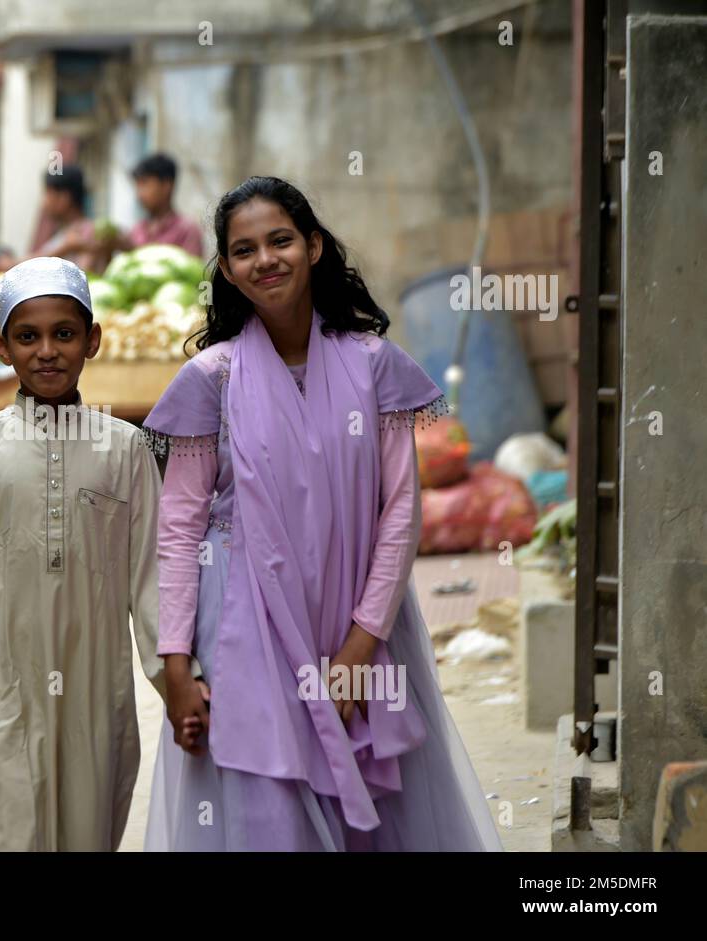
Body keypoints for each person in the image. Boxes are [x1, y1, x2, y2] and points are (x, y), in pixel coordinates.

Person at [141, 176, 501, 851]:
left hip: (355, 624)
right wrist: (177, 667)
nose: (265, 259)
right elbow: (180, 528)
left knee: (369, 809)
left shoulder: (374, 365)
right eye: (243, 249)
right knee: (265, 805)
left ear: (313, 246)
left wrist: (362, 646)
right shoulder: (208, 380)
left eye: (280, 240)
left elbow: (400, 513)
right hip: (243, 625)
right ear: (226, 268)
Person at [0, 256, 186, 851]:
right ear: (2, 348)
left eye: (64, 334)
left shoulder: (125, 448)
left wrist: (179, 681)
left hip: (93, 692)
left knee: (86, 830)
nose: (47, 351)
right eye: (28, 337)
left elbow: (152, 581)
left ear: (93, 341)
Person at [124, 153, 204, 256]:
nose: (139, 194)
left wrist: (131, 249)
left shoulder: (187, 231)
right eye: (137, 186)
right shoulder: (136, 231)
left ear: (166, 186)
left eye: (144, 184)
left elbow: (193, 271)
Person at [31, 166, 97, 271]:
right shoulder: (65, 235)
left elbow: (85, 275)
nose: (44, 203)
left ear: (64, 198)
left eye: (48, 194)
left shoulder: (85, 234)